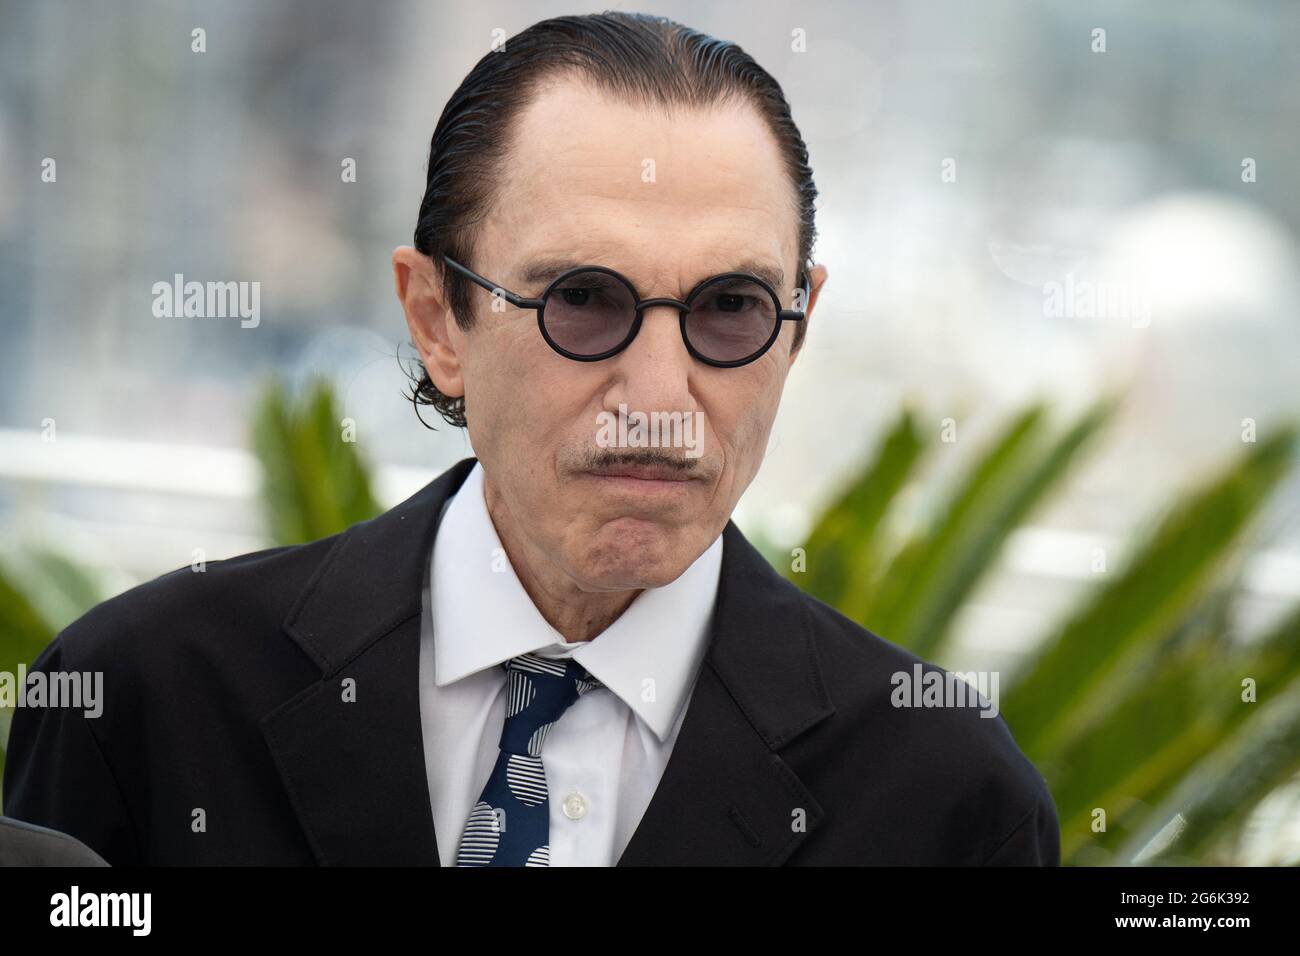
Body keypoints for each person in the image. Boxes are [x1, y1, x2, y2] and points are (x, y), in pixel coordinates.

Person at [3, 11, 1058, 866]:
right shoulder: (148, 695)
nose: (657, 394)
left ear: (799, 325)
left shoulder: (949, 801)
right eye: (583, 300)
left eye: (729, 306)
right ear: (435, 321)